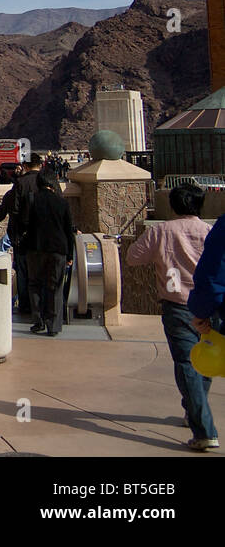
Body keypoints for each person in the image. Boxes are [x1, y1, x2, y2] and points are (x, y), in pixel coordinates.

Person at [128, 183, 217, 451]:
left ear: (174, 206)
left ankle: (204, 430)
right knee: (205, 362)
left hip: (177, 305)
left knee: (187, 364)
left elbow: (133, 257)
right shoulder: (209, 232)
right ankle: (194, 410)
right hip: (209, 306)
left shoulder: (161, 231)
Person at [20, 168, 76, 336]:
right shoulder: (62, 203)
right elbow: (68, 231)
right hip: (57, 250)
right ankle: (53, 325)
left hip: (34, 248)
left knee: (34, 284)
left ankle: (38, 321)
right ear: (53, 183)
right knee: (55, 287)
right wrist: (70, 256)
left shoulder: (31, 200)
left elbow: (24, 224)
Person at [0, 156, 41, 318]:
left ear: (25, 166)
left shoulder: (20, 185)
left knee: (23, 272)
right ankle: (40, 307)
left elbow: (9, 209)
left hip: (22, 238)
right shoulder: (47, 182)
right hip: (42, 238)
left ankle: (26, 305)